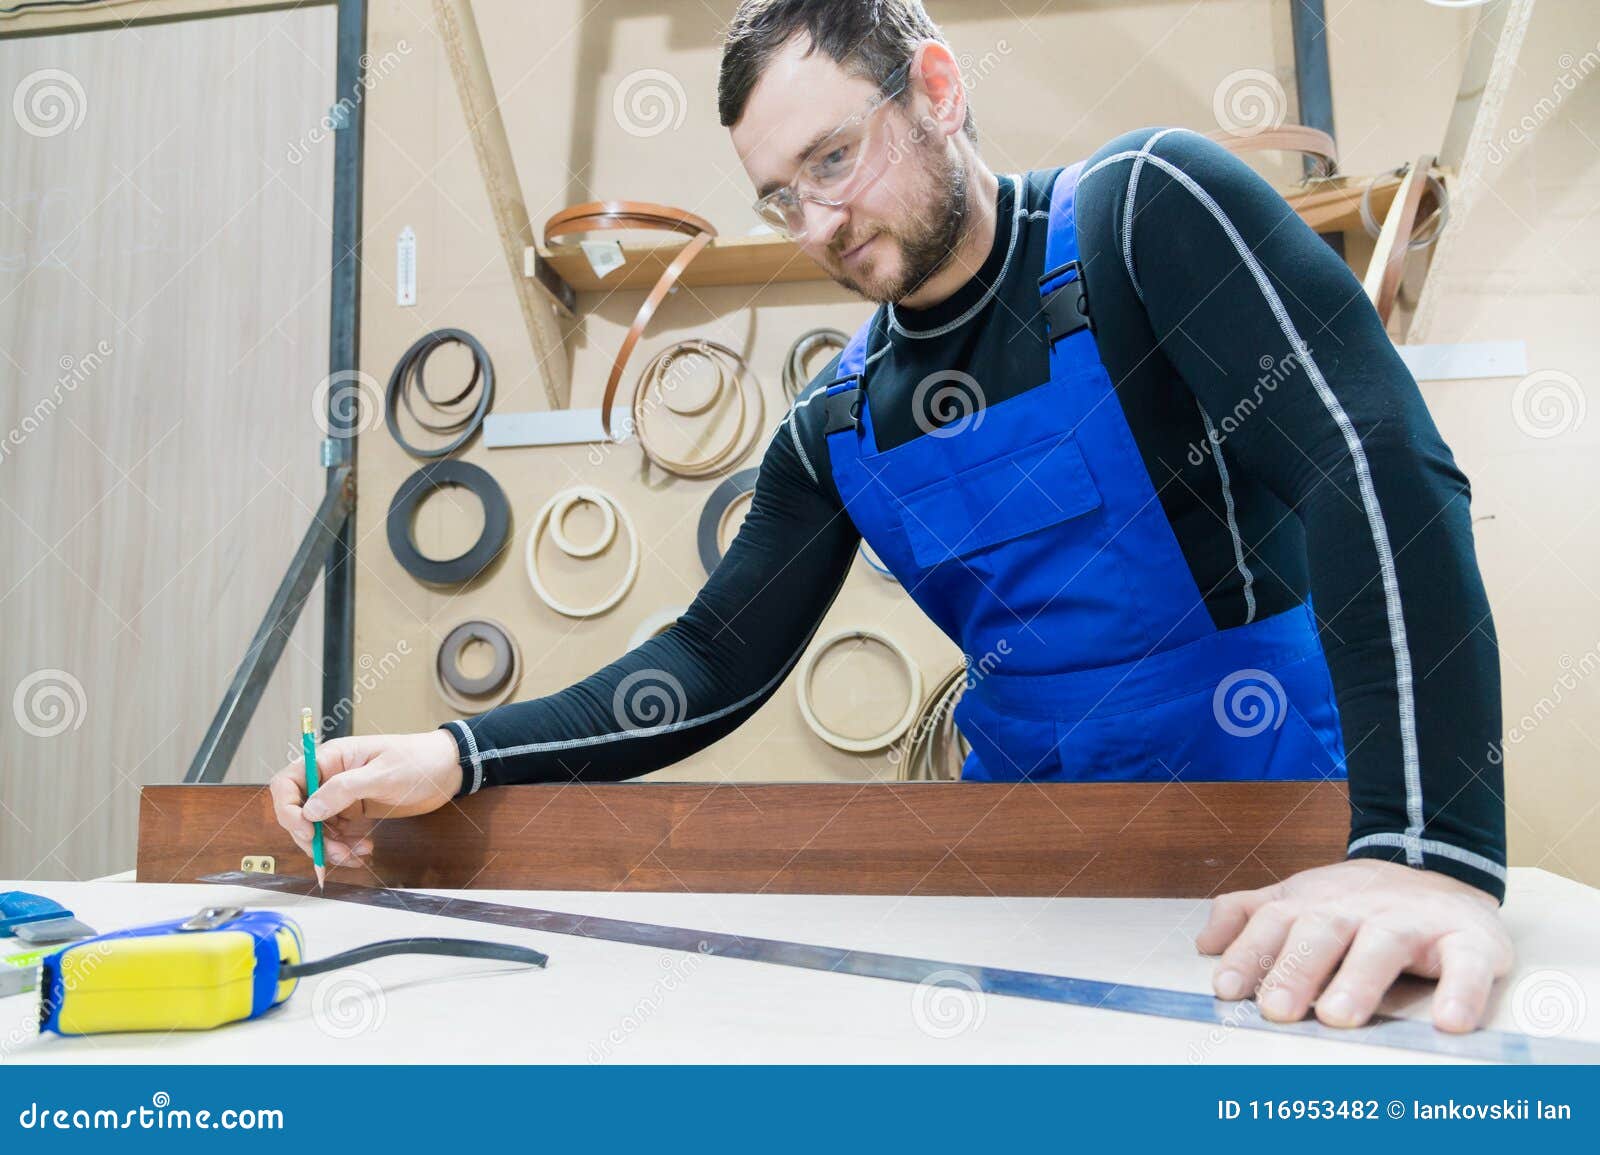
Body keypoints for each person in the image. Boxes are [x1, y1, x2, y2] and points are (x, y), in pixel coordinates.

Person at [271, 0, 1510, 1034]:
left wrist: (1427, 853)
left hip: (1277, 826)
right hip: (1020, 860)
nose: (817, 224)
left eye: (832, 160)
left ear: (937, 89)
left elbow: (1374, 466)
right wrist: (458, 754)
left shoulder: (1143, 214)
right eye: (779, 197)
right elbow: (707, 661)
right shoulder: (836, 422)